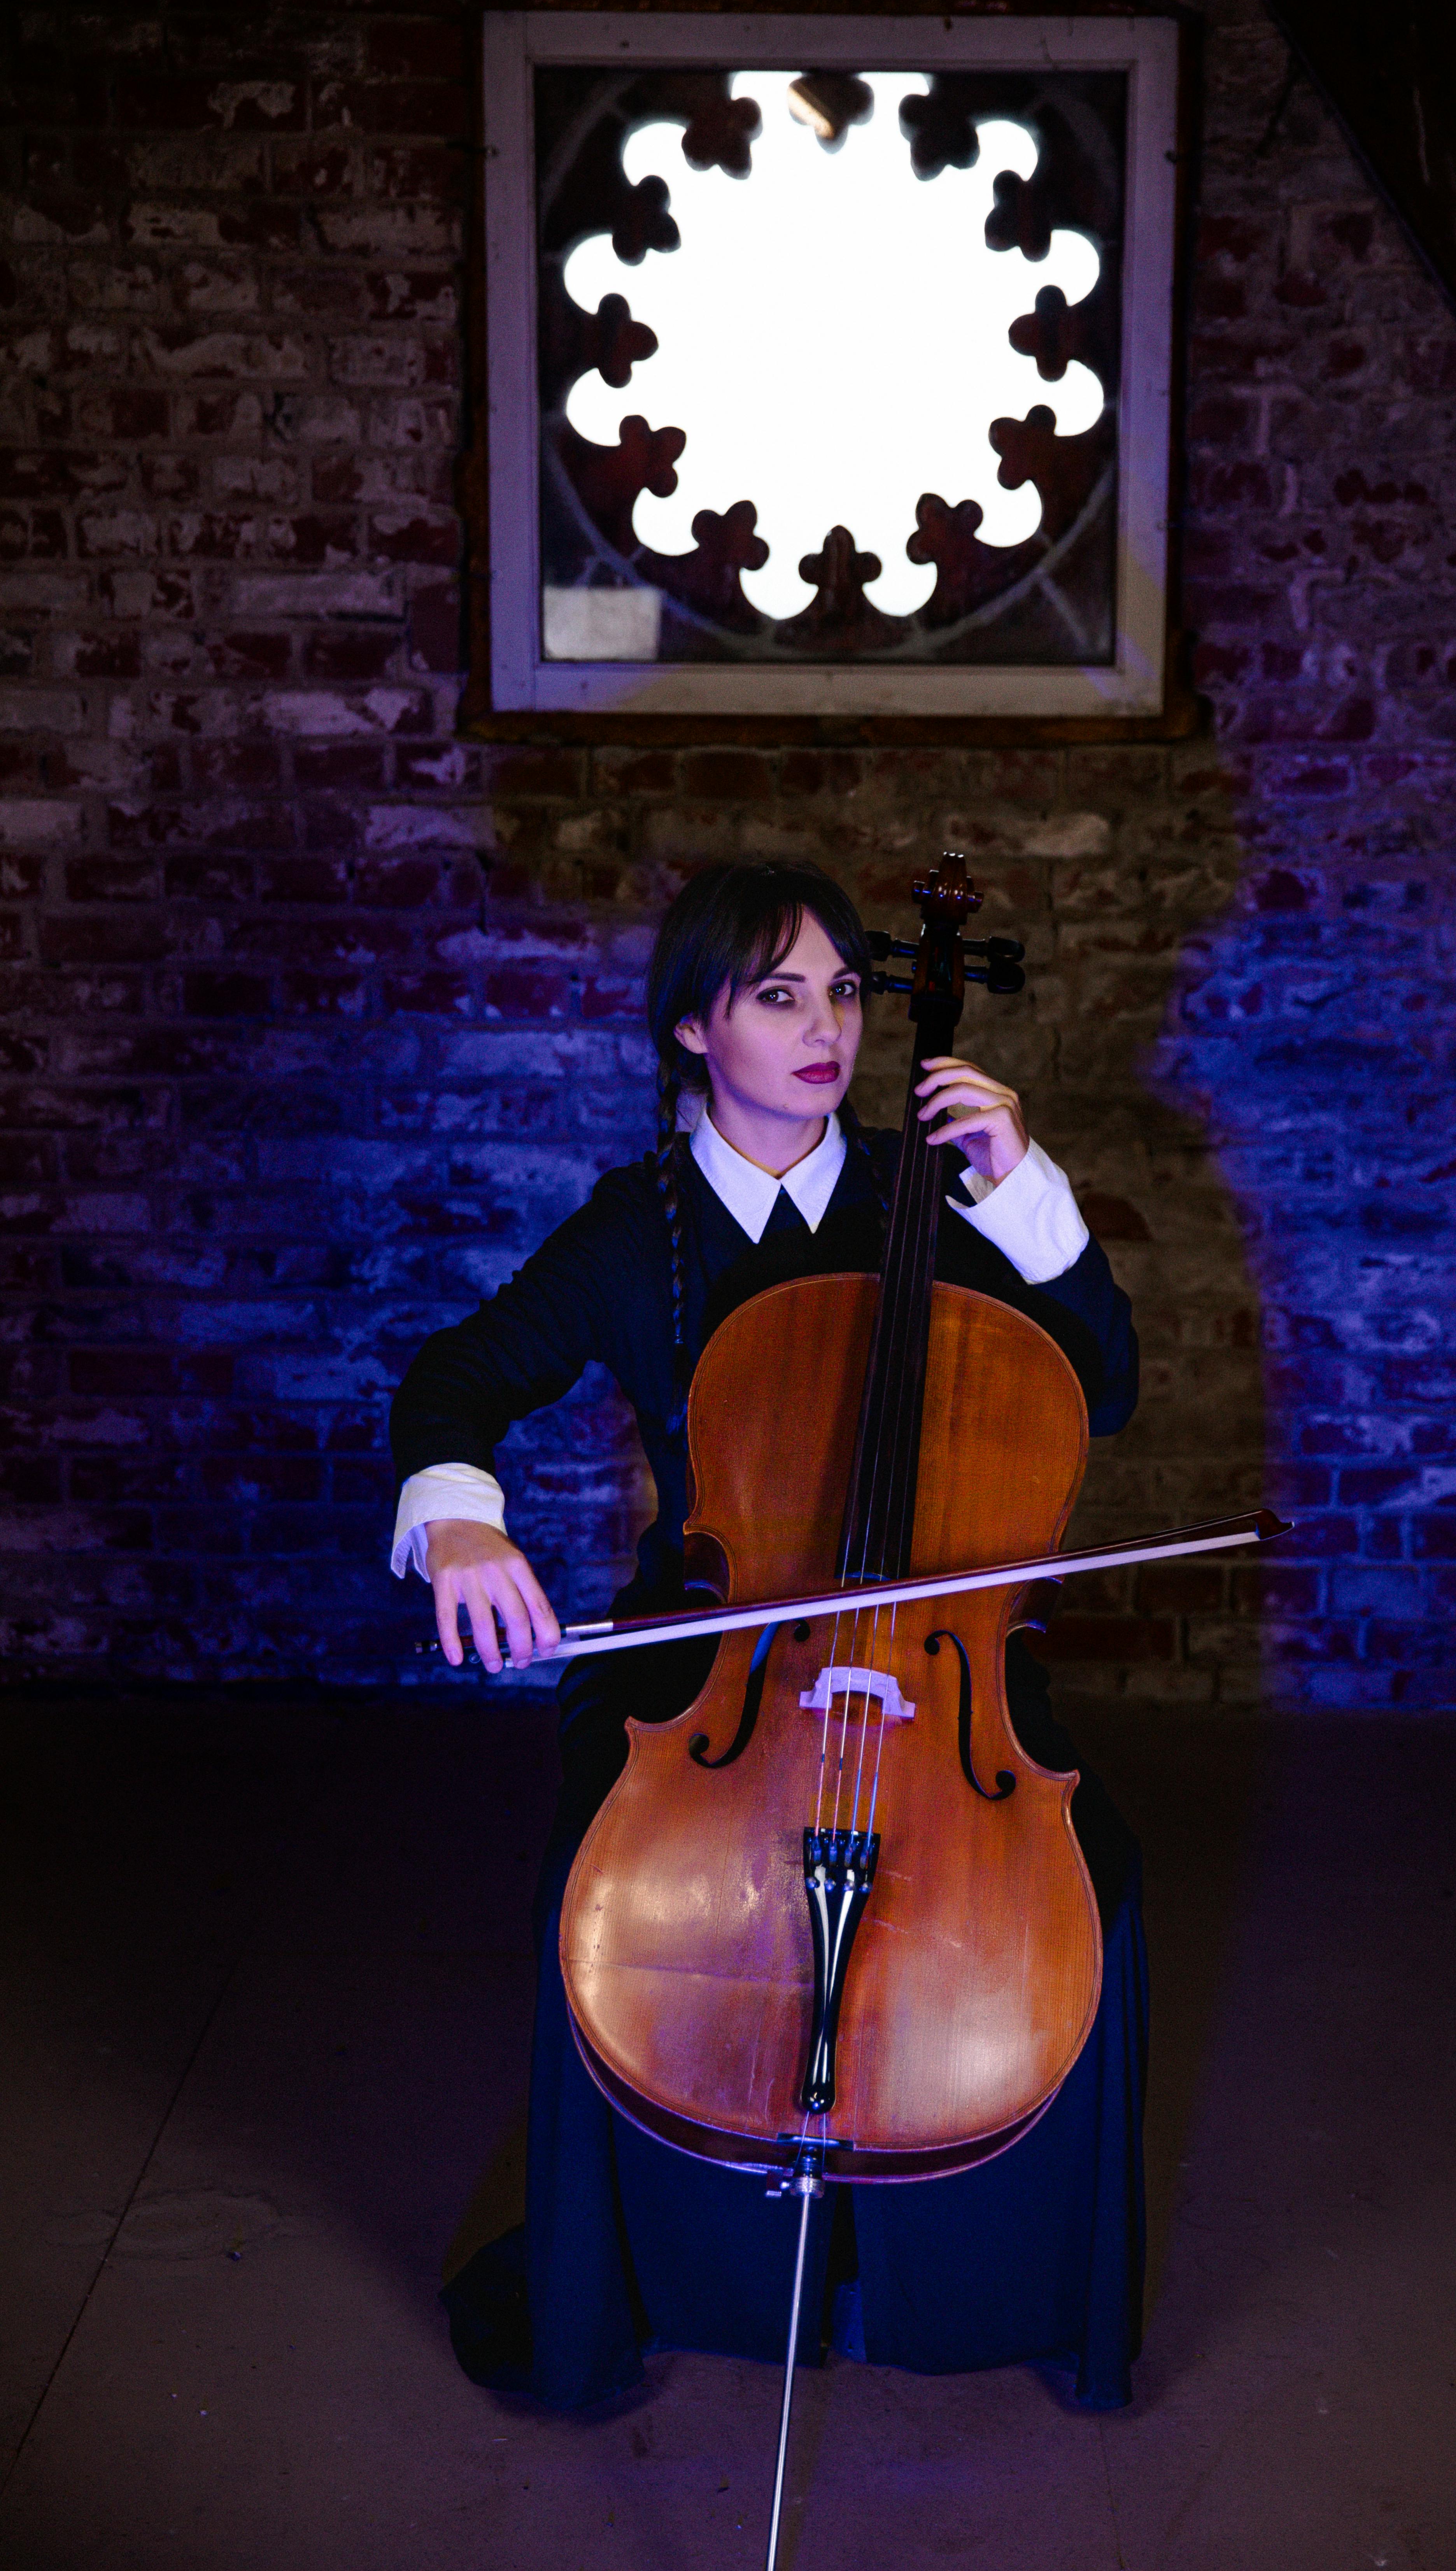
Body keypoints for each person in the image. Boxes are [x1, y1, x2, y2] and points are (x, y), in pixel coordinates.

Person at [389, 860, 1147, 2409]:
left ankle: (991, 2284)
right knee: (590, 1886)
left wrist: (1024, 1187)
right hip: (713, 1664)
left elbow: (1105, 1382)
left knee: (1099, 1889)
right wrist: (462, 1516)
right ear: (691, 1031)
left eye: (846, 992)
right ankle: (650, 2285)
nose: (828, 1030)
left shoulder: (922, 1200)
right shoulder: (635, 1233)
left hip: (941, 1665)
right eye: (778, 994)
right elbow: (457, 1382)